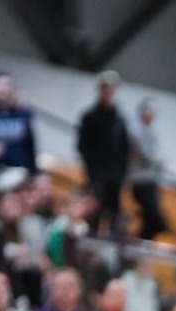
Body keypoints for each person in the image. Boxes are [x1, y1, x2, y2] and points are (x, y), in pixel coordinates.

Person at [76, 72, 130, 237]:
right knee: (94, 213)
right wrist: (94, 171)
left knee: (115, 216)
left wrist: (121, 174)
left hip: (115, 178)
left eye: (112, 89)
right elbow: (82, 146)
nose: (108, 92)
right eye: (106, 88)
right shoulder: (90, 116)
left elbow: (124, 149)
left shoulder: (120, 118)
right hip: (97, 177)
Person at [128, 97, 169, 240]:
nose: (150, 115)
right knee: (157, 220)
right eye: (147, 112)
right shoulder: (135, 132)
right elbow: (146, 158)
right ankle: (140, 239)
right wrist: (153, 161)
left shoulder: (151, 133)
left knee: (155, 221)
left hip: (150, 182)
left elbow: (159, 159)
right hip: (141, 182)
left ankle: (141, 240)